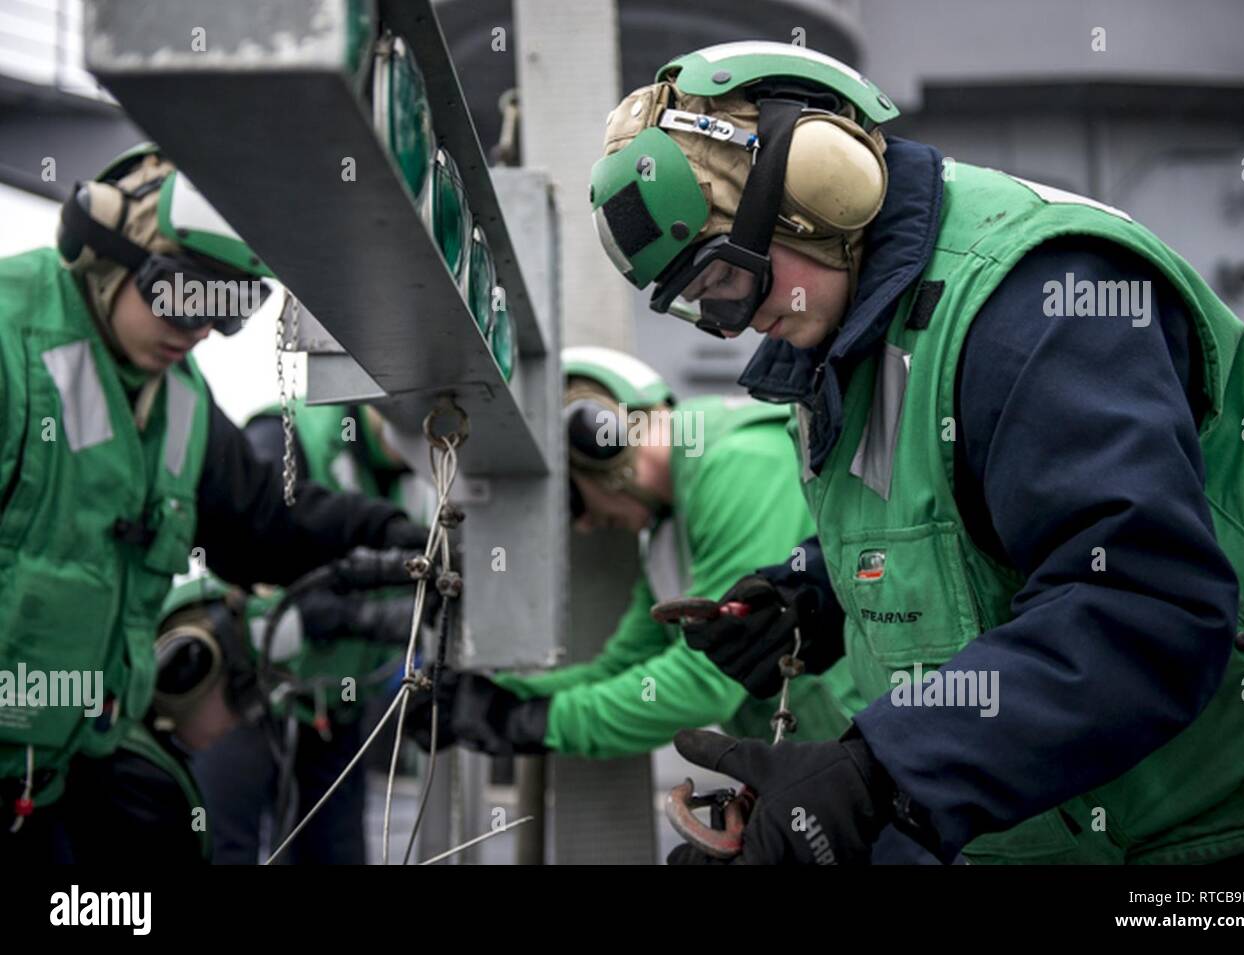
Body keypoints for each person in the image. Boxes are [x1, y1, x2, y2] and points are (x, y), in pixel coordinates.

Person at [589, 42, 1244, 865]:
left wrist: (874, 777)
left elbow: (1145, 607)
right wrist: (812, 596)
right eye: (701, 308)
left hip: (1228, 828)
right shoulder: (853, 334)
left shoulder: (1037, 302)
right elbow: (970, 518)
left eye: (727, 280)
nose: (738, 323)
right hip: (1046, 824)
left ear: (818, 185)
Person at [0, 144, 426, 862]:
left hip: (63, 767)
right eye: (181, 294)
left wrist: (408, 540)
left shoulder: (181, 402)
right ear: (101, 244)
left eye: (227, 310)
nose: (198, 328)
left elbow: (265, 525)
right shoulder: (13, 342)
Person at [409, 346, 861, 762]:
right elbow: (627, 666)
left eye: (571, 500)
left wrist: (532, 724)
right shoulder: (669, 530)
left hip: (863, 770)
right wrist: (503, 697)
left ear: (599, 442)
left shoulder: (741, 465)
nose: (583, 524)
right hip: (819, 766)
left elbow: (707, 681)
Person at [190, 402, 431, 864]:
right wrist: (364, 619)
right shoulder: (285, 435)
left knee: (336, 853)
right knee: (222, 847)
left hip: (333, 705)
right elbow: (253, 558)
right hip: (248, 691)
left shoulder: (415, 481)